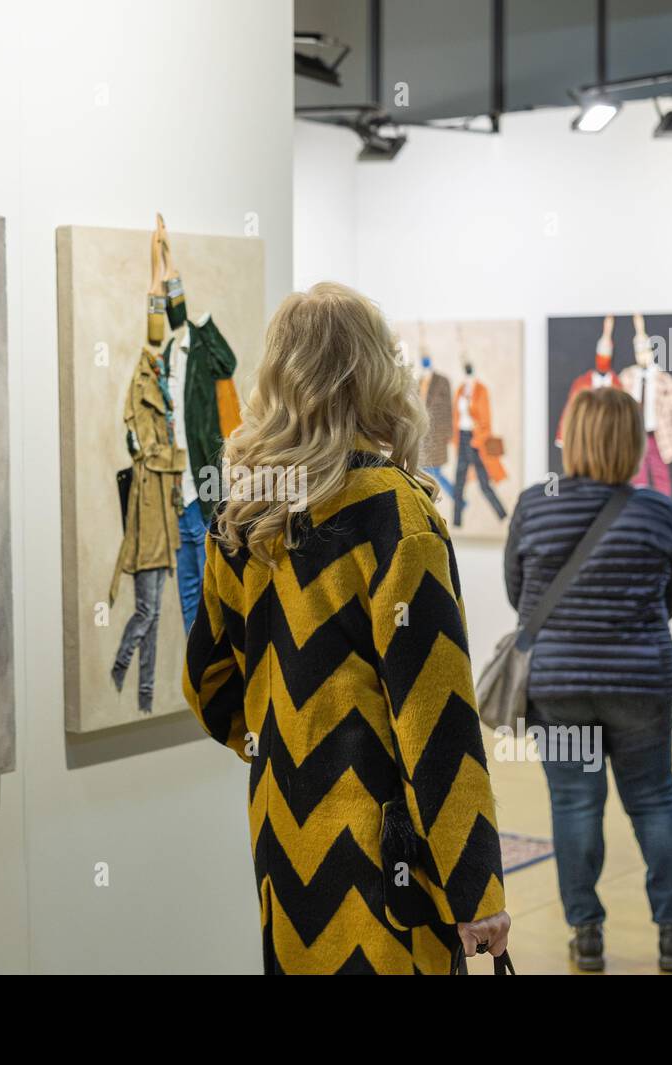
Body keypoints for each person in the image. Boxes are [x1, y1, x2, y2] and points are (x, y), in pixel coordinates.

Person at [183, 282, 509, 974]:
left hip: (282, 849)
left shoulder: (243, 517)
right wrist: (476, 887)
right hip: (384, 866)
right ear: (374, 375)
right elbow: (437, 719)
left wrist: (284, 737)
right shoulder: (395, 515)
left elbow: (206, 685)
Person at [506, 387, 672, 973]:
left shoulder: (537, 504)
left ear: (575, 438)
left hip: (559, 684)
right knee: (655, 801)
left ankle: (586, 936)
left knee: (574, 804)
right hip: (641, 683)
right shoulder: (658, 509)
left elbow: (519, 593)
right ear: (633, 444)